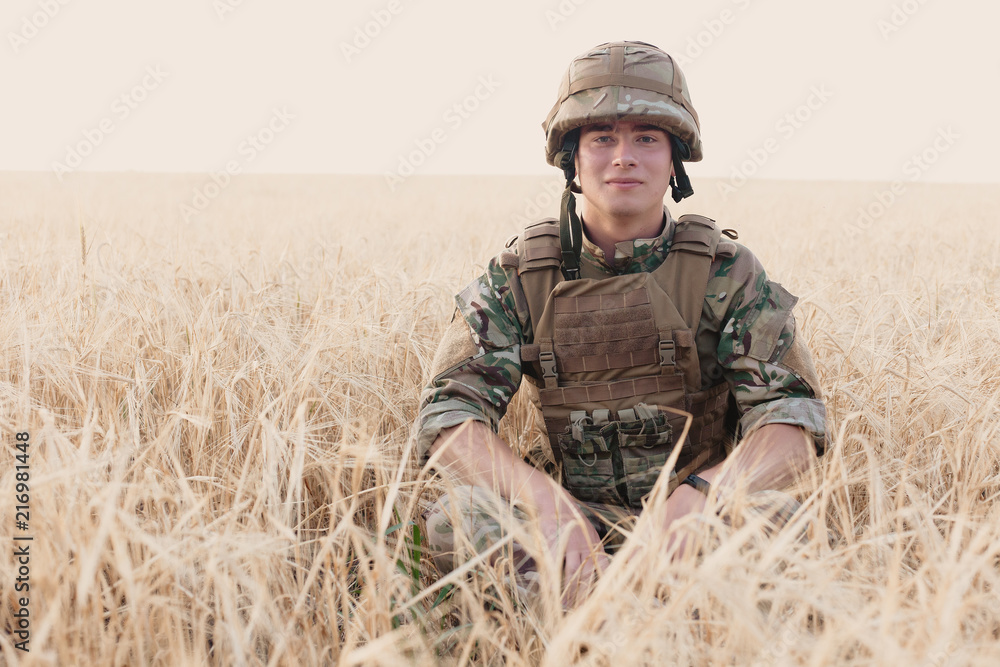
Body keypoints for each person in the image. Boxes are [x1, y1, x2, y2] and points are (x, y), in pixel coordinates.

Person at [414, 40, 826, 604]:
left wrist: (703, 497)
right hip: (568, 521)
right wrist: (547, 504)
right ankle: (627, 609)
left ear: (675, 157)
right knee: (455, 518)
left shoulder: (725, 271)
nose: (624, 156)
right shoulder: (522, 274)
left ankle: (610, 612)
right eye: (602, 138)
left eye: (647, 138)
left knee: (787, 523)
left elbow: (792, 421)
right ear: (572, 158)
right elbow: (448, 416)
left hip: (696, 519)